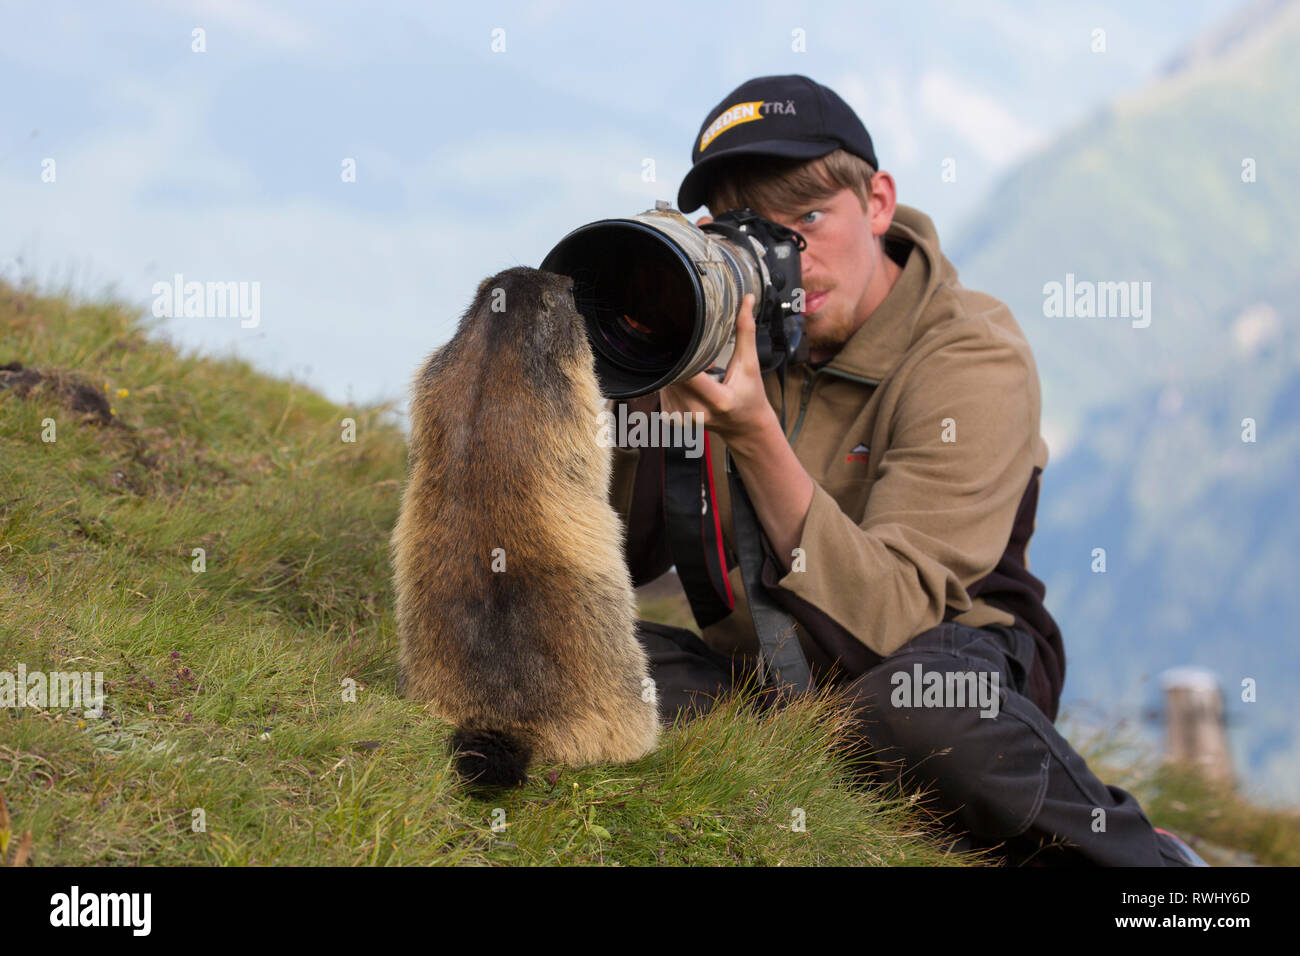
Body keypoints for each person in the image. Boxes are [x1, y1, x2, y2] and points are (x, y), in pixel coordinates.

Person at [607, 74, 1206, 867]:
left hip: (948, 662)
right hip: (774, 676)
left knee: (913, 713)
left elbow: (894, 618)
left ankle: (1161, 869)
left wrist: (751, 431)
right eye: (751, 233)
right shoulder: (729, 340)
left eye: (809, 218)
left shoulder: (970, 351)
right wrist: (642, 364)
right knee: (576, 660)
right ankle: (872, 800)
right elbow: (623, 558)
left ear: (879, 202)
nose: (790, 256)